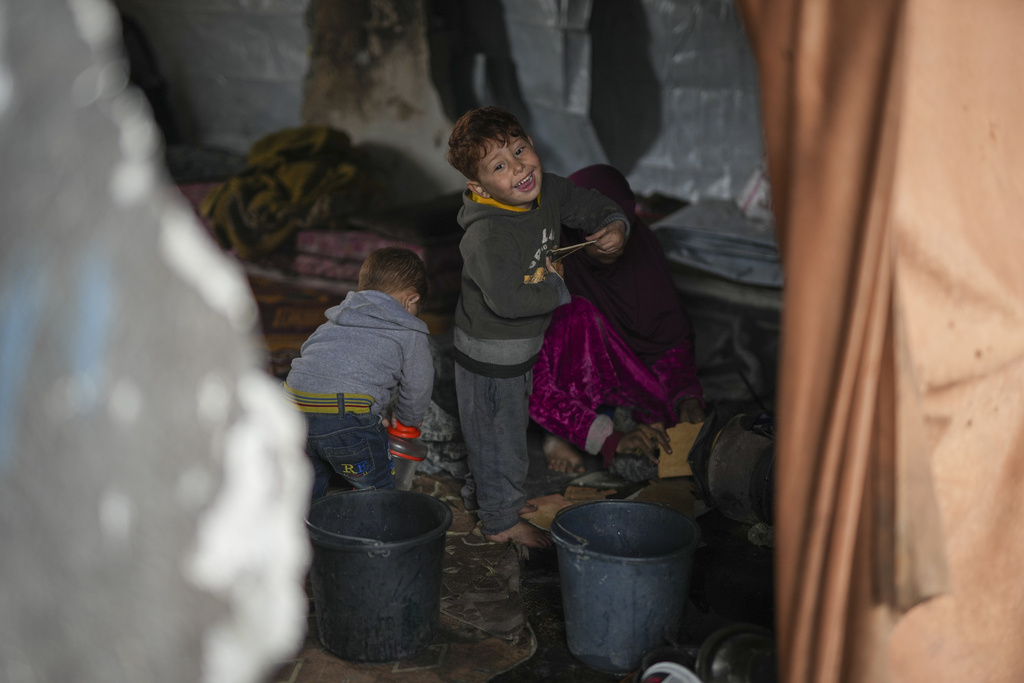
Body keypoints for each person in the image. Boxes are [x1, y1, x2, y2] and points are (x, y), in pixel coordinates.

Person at [445, 107, 629, 548]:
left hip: (522, 349)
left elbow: (586, 203)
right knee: (499, 441)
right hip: (489, 359)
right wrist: (556, 287)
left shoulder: (546, 193)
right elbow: (508, 301)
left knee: (498, 437)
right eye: (499, 166)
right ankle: (499, 522)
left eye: (519, 150)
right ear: (478, 187)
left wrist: (613, 224)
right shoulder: (486, 235)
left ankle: (492, 499)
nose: (519, 167)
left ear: (530, 142)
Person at [529, 164, 705, 478]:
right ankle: (559, 434)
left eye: (615, 224)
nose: (609, 238)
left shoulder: (642, 247)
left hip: (623, 372)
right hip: (560, 389)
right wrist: (610, 439)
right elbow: (531, 381)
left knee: (671, 437)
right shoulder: (548, 256)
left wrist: (685, 394)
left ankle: (615, 418)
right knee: (575, 313)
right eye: (595, 225)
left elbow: (670, 340)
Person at [284, 247, 434, 501]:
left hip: (291, 408)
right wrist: (407, 420)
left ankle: (302, 521)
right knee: (375, 489)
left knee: (305, 486)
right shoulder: (410, 333)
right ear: (411, 300)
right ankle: (374, 520)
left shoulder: (333, 320)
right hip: (345, 419)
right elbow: (418, 386)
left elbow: (317, 361)